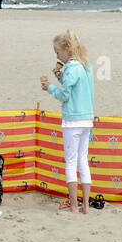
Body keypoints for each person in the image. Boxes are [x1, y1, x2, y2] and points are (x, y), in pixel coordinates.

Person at [41, 30, 95, 214]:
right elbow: (77, 88)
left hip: (73, 119)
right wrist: (61, 78)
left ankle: (73, 205)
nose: (57, 56)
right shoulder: (85, 65)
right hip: (87, 118)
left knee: (71, 162)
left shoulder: (72, 67)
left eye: (57, 52)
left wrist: (50, 88)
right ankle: (85, 205)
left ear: (66, 49)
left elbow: (65, 94)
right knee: (83, 161)